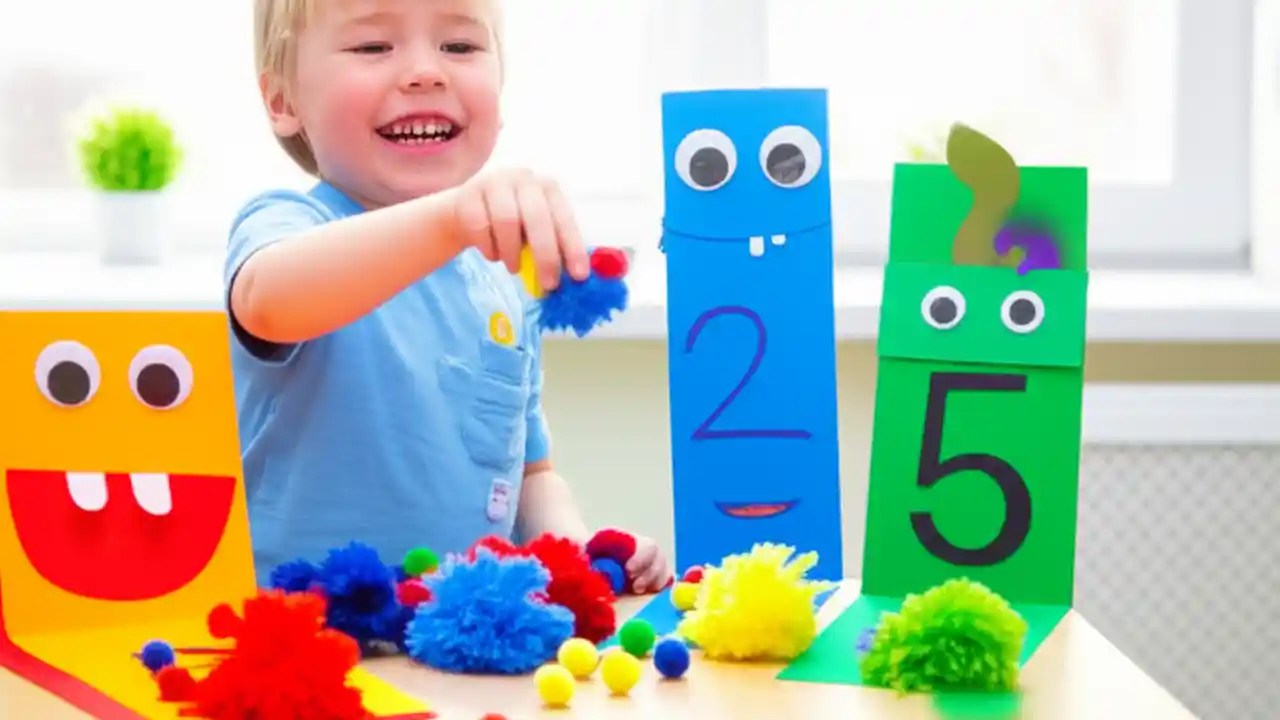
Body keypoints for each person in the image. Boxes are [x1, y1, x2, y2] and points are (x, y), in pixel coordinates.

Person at [232, 0, 670, 591]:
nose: (425, 73)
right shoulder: (291, 224)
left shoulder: (502, 283)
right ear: (284, 101)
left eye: (460, 47)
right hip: (306, 641)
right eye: (373, 47)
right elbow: (268, 301)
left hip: (452, 644)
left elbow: (530, 475)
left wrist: (578, 551)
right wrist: (450, 219)